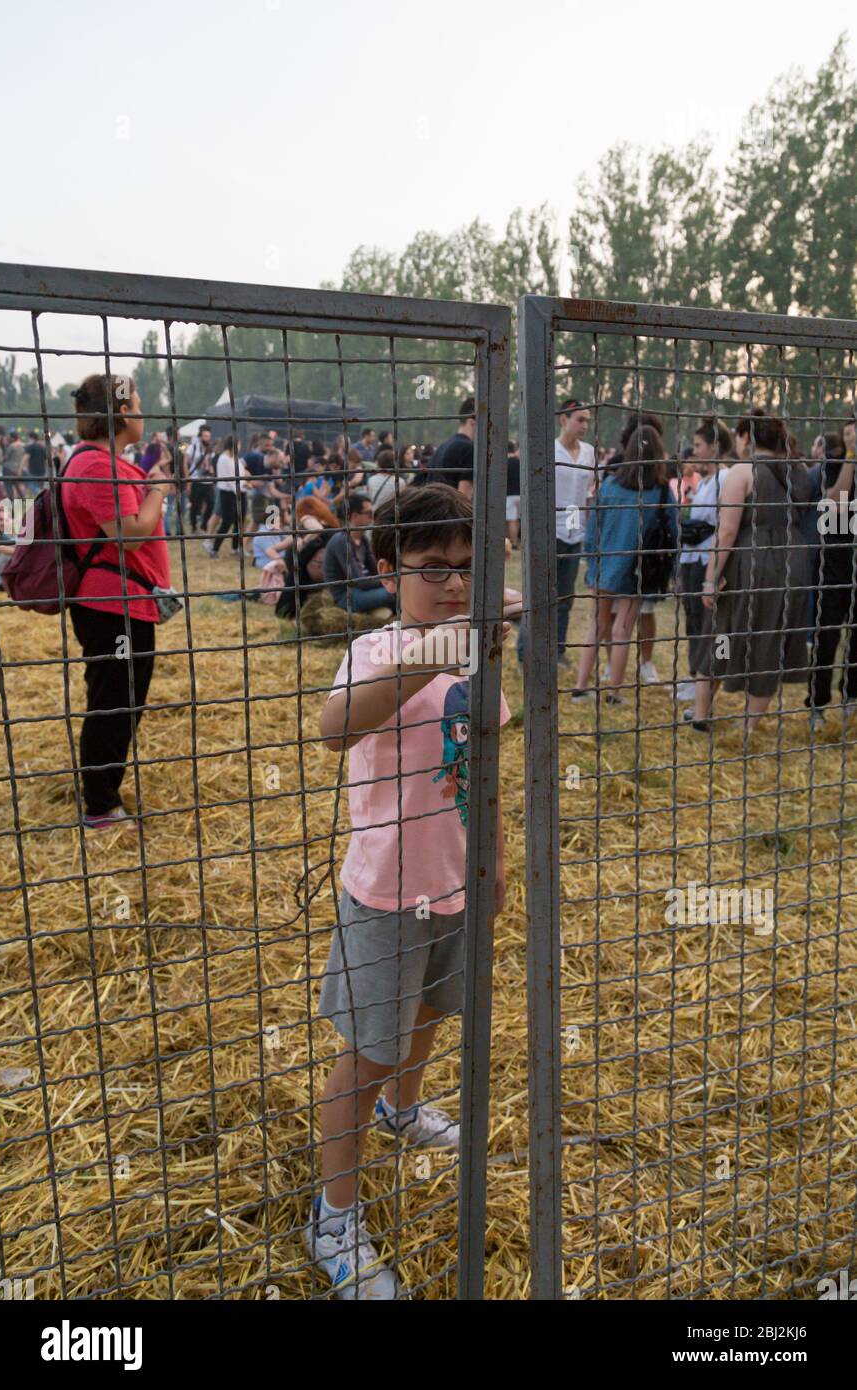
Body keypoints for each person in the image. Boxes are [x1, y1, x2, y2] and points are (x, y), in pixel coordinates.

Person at [310, 482, 511, 1299]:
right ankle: (333, 1215)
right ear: (388, 571)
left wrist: (493, 856)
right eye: (434, 568)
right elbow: (333, 729)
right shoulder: (379, 652)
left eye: (467, 566)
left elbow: (485, 758)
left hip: (457, 879)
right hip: (388, 893)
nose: (456, 583)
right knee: (365, 1050)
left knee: (433, 1010)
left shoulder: (482, 649)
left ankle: (402, 1111)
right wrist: (435, 647)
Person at [61, 373, 172, 831]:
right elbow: (127, 534)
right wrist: (159, 491)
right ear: (122, 412)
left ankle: (100, 788)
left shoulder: (108, 464)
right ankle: (101, 807)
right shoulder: (94, 466)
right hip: (111, 604)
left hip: (123, 602)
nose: (143, 415)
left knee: (116, 697)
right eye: (138, 406)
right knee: (116, 701)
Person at [692, 409, 814, 735]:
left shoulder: (742, 471)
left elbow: (727, 531)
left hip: (750, 563)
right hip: (793, 563)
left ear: (746, 437)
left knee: (722, 631)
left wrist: (709, 579)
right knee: (770, 637)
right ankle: (748, 729)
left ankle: (701, 716)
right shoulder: (798, 469)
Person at [574, 426, 677, 704]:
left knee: (596, 625)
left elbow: (593, 527)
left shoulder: (608, 486)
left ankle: (581, 688)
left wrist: (591, 559)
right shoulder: (662, 491)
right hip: (636, 569)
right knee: (622, 631)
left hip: (602, 565)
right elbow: (674, 534)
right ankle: (613, 693)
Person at [517, 400, 596, 672]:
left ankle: (557, 651)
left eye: (587, 420)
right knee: (538, 597)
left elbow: (586, 496)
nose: (584, 425)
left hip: (574, 532)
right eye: (580, 419)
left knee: (565, 597)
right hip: (548, 531)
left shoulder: (589, 453)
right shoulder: (548, 450)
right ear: (563, 419)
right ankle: (524, 654)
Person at [675, 417, 732, 703]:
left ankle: (702, 674)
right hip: (691, 557)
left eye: (699, 445)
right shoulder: (705, 480)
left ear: (714, 447)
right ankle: (693, 673)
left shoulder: (724, 479)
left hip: (706, 560)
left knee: (706, 623)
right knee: (692, 619)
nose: (694, 451)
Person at [805, 416, 857, 730]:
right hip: (833, 566)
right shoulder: (833, 464)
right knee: (826, 639)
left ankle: (851, 697)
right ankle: (817, 705)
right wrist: (851, 457)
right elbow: (836, 503)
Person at [323, 493, 396, 614]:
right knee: (391, 592)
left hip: (360, 590)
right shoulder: (340, 540)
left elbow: (374, 569)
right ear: (354, 516)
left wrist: (389, 577)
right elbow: (359, 581)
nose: (372, 517)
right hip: (346, 596)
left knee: (395, 590)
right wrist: (390, 579)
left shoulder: (363, 540)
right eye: (368, 513)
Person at [209, 437, 254, 556]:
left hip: (241, 492)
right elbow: (230, 479)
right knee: (227, 522)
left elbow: (241, 472)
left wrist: (246, 483)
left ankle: (236, 548)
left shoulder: (235, 458)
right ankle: (215, 549)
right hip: (228, 494)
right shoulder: (223, 459)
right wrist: (244, 486)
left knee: (239, 522)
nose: (240, 447)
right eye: (238, 444)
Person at [427, 397, 475, 498]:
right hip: (453, 512)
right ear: (472, 421)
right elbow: (464, 499)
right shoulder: (469, 449)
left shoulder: (442, 447)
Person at [186, 425, 215, 532]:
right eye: (205, 436)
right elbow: (185, 462)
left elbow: (211, 462)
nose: (207, 438)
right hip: (196, 481)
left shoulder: (211, 448)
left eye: (209, 436)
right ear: (201, 437)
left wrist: (212, 471)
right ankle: (194, 527)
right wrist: (188, 479)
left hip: (208, 481)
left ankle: (204, 524)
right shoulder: (193, 447)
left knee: (211, 503)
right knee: (195, 505)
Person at [365, 447, 406, 511]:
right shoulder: (400, 481)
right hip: (392, 514)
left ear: (379, 463)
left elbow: (369, 496)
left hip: (375, 513)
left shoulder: (371, 480)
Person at [505, 439, 521, 549]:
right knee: (518, 520)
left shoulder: (504, 464)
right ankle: (519, 540)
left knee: (511, 520)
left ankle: (513, 542)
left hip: (509, 495)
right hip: (521, 495)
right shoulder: (520, 462)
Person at [23, 430, 49, 495]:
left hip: (33, 470)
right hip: (42, 471)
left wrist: (20, 468)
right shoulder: (42, 447)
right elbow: (46, 460)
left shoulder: (31, 447)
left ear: (31, 438)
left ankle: (40, 494)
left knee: (33, 487)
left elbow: (25, 458)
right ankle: (38, 501)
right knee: (36, 487)